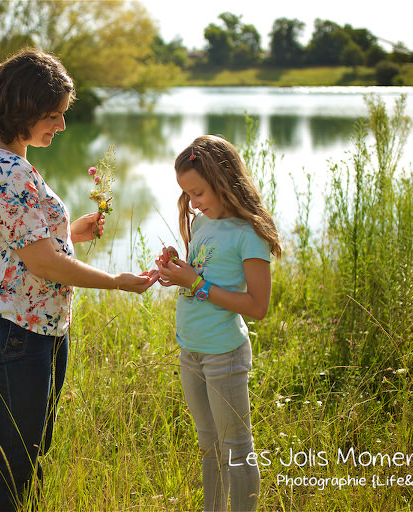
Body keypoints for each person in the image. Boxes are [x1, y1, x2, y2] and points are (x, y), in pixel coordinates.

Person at [0, 48, 158, 512]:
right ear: (23, 110)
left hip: (35, 326)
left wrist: (67, 233)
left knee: (28, 451)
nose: (62, 126)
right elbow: (43, 265)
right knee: (13, 458)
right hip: (12, 329)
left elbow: (13, 244)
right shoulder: (5, 169)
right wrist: (116, 282)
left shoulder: (1, 156)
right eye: (53, 115)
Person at [155, 135, 281, 512]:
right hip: (190, 350)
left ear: (225, 179)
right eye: (188, 195)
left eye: (199, 192)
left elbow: (258, 306)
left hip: (223, 355)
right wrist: (178, 267)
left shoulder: (249, 233)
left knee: (236, 451)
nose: (194, 203)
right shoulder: (204, 223)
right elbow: (203, 275)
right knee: (208, 445)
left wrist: (195, 282)